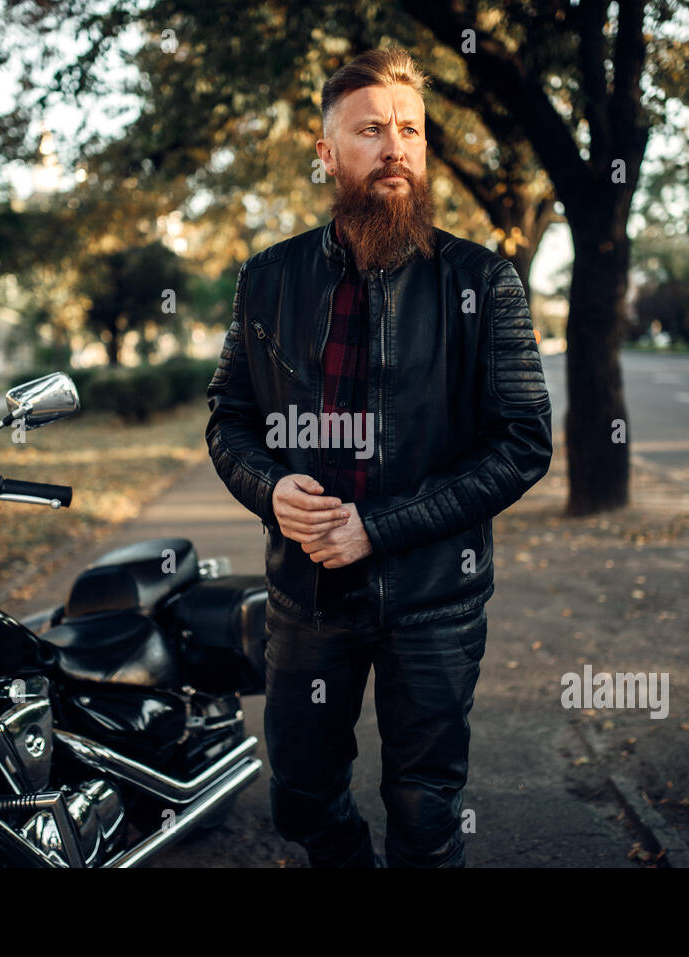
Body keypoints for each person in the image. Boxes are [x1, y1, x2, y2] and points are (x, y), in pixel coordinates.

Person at [205, 46, 553, 867]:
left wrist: (378, 526)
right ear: (326, 153)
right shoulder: (267, 280)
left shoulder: (484, 280)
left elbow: (524, 443)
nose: (395, 146)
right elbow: (229, 419)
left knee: (425, 809)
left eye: (410, 130)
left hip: (434, 599)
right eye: (370, 130)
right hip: (305, 598)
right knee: (299, 794)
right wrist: (270, 486)